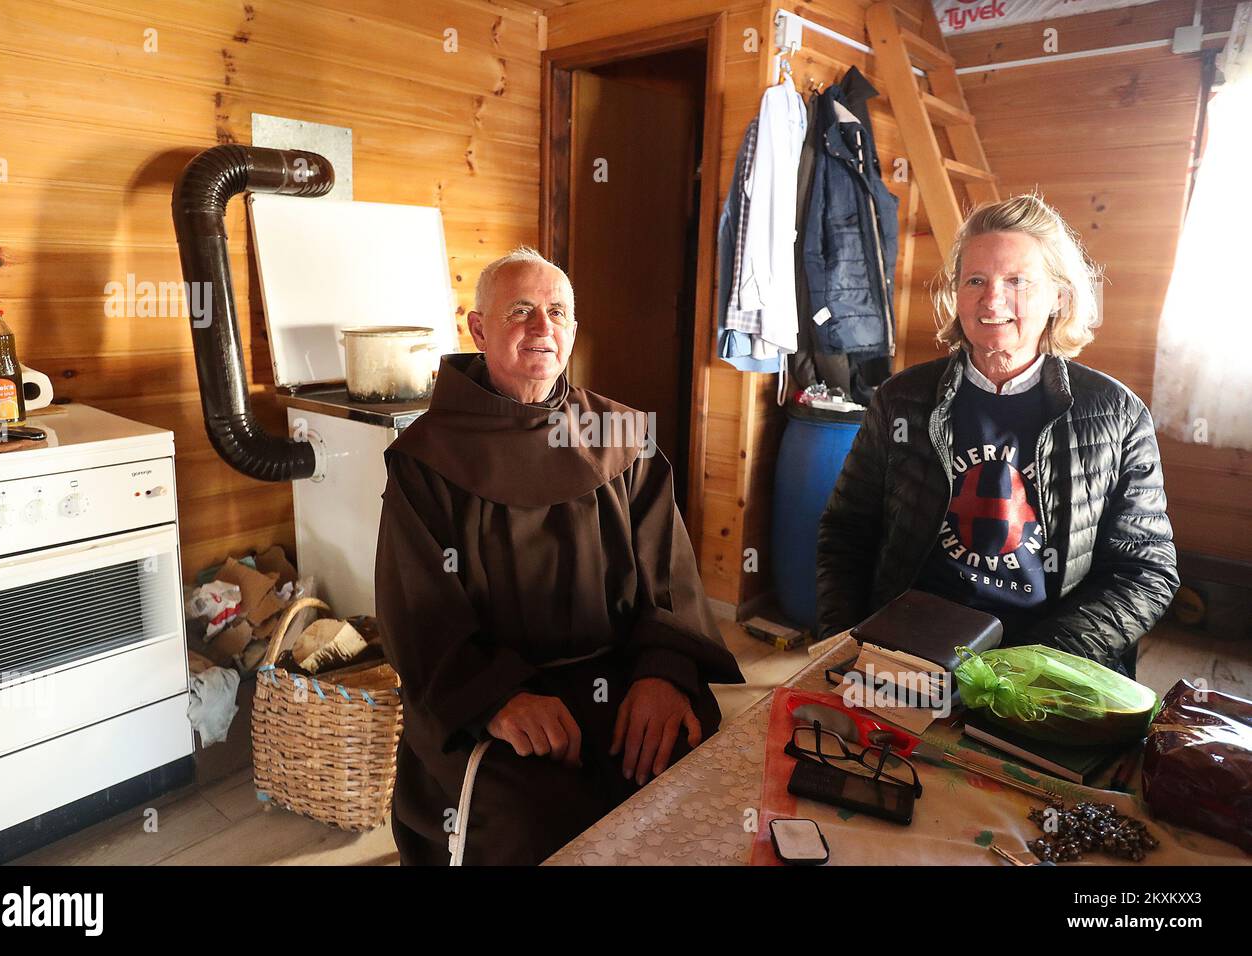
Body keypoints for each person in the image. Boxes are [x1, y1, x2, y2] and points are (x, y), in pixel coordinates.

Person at [375, 246, 744, 865]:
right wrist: (498, 699)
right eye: (520, 311)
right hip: (494, 695)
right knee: (530, 822)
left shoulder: (624, 437)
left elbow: (669, 579)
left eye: (558, 313)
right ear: (478, 328)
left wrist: (662, 673)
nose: (542, 328)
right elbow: (420, 610)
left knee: (687, 772)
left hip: (624, 676)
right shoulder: (426, 460)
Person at [814, 194, 1180, 674]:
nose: (992, 300)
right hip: (908, 650)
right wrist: (845, 644)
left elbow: (1145, 571)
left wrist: (1034, 664)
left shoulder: (1118, 414)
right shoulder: (899, 399)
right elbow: (847, 531)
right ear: (957, 294)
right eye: (976, 280)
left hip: (1049, 664)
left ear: (1060, 297)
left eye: (1017, 281)